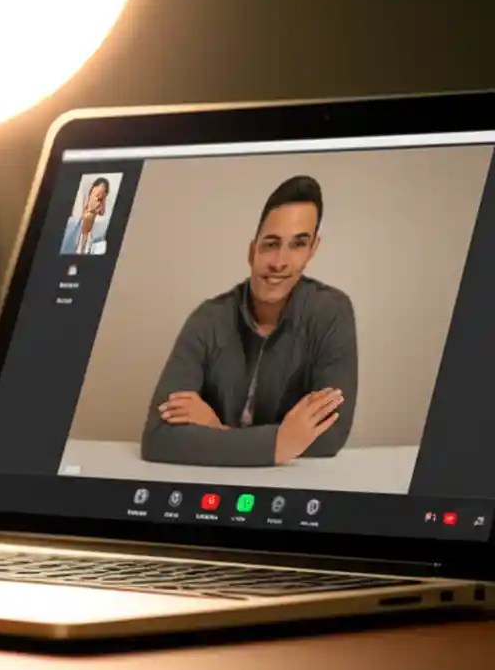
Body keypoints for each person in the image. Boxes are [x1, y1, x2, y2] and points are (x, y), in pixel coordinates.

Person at [140, 175, 358, 467]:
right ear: (252, 251)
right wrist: (281, 442)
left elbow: (331, 435)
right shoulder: (208, 319)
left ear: (312, 251)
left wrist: (217, 431)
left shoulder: (331, 312)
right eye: (271, 244)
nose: (279, 261)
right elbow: (158, 438)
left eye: (297, 244)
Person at [61, 177, 111, 255]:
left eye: (101, 199)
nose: (98, 201)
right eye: (97, 196)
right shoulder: (70, 225)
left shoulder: (101, 233)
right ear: (90, 194)